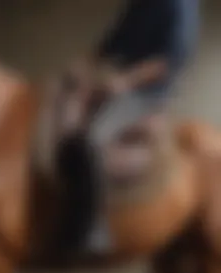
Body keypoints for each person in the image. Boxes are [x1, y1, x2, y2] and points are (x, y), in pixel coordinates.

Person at [71, 0, 200, 253]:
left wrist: (125, 80)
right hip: (120, 87)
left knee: (94, 137)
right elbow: (113, 42)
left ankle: (95, 229)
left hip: (148, 95)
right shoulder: (140, 4)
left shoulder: (180, 5)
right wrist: (84, 63)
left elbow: (169, 61)